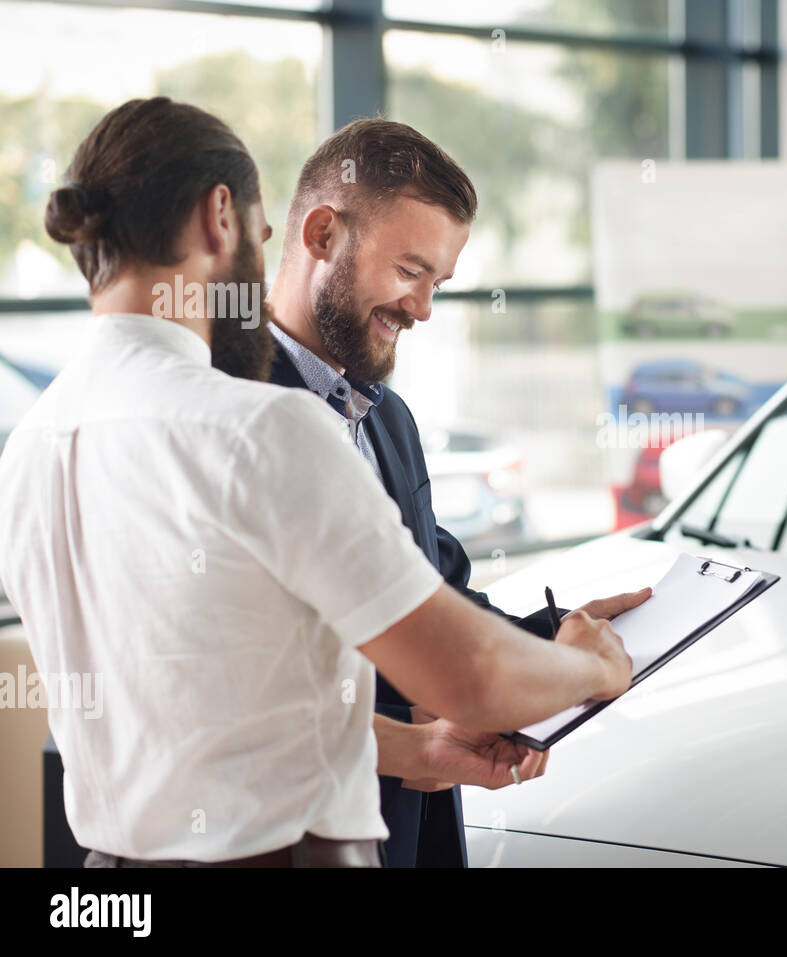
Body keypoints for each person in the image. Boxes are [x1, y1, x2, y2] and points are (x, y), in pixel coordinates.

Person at [0, 97, 645, 867]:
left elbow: (210, 704)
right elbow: (469, 675)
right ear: (218, 217)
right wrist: (595, 666)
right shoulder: (255, 424)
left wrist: (415, 749)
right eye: (259, 230)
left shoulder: (31, 443)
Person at [258, 118, 641, 867]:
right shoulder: (230, 415)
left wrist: (553, 631)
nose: (423, 308)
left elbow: (435, 592)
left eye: (437, 282)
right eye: (409, 271)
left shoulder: (386, 419)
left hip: (403, 834)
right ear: (322, 235)